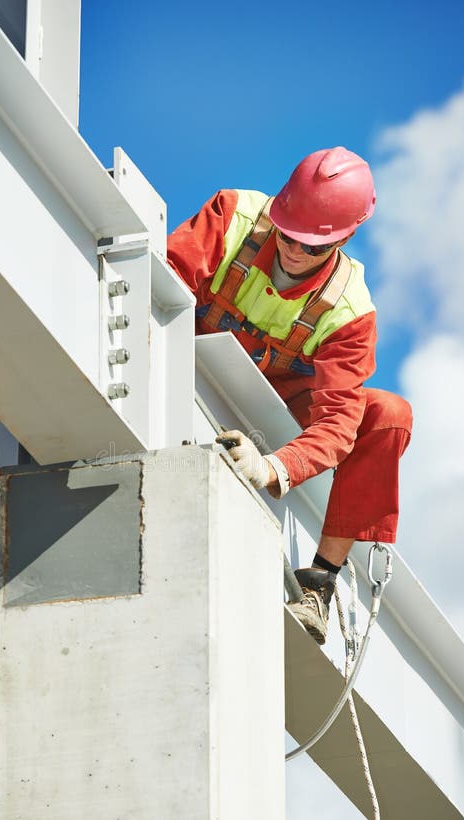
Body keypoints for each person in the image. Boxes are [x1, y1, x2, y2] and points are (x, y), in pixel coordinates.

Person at [167, 147, 412, 644]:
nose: (294, 250)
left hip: (285, 403)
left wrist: (273, 468)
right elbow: (160, 284)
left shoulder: (349, 311)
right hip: (187, 366)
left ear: (344, 238)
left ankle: (319, 583)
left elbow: (338, 426)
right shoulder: (232, 217)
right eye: (287, 234)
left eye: (311, 246)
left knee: (388, 415)